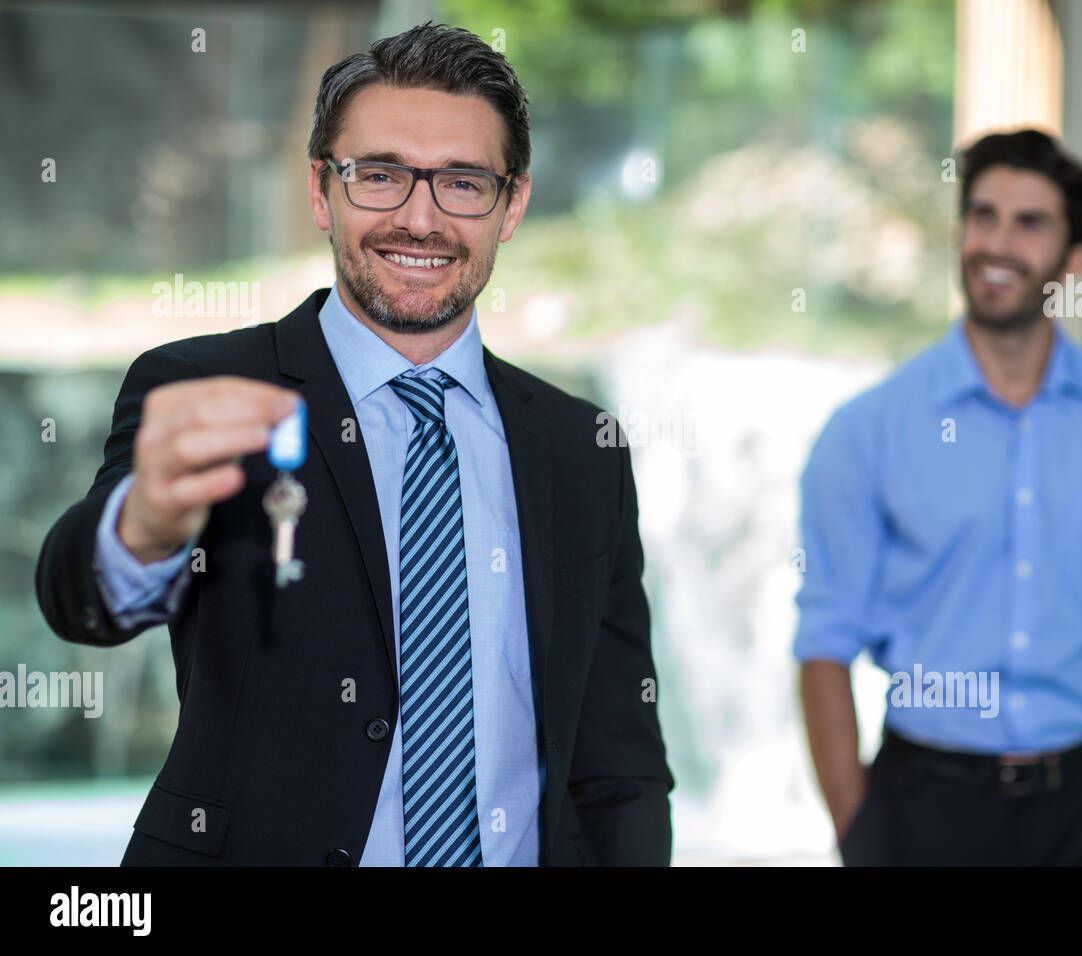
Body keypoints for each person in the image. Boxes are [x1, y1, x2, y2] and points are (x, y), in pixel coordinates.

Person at [34, 22, 673, 867]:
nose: (419, 218)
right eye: (380, 176)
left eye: (463, 182)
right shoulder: (204, 389)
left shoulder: (580, 444)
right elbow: (82, 600)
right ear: (319, 190)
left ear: (511, 204)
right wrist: (141, 528)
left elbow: (618, 757)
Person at [794, 129, 1082, 866]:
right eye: (982, 215)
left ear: (1076, 258)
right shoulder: (867, 431)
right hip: (920, 808)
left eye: (1030, 223)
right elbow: (824, 641)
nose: (997, 243)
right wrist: (860, 831)